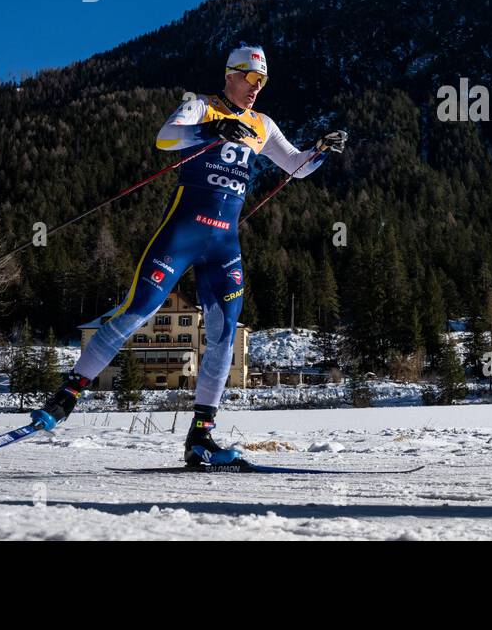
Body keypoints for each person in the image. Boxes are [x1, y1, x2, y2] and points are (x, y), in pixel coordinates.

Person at [32, 44, 347, 466]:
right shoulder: (201, 107)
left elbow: (296, 166)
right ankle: (65, 397)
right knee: (136, 311)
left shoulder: (262, 124)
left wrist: (320, 150)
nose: (256, 88)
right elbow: (165, 138)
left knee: (223, 336)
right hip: (182, 233)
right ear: (230, 76)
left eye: (263, 81)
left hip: (224, 245)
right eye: (251, 79)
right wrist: (211, 131)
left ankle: (201, 438)